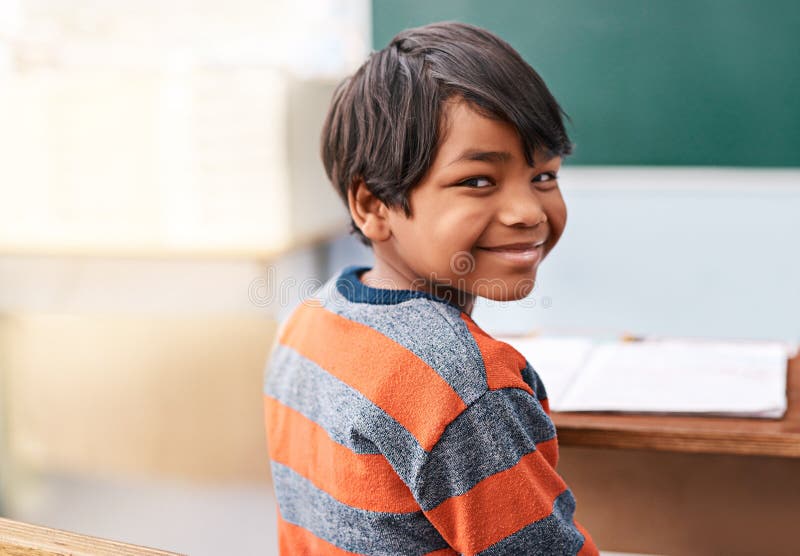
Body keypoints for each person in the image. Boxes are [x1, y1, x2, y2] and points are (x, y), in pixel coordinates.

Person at [263, 20, 599, 555]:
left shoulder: (307, 322)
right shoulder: (464, 386)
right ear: (373, 206)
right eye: (477, 181)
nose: (528, 212)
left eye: (544, 176)